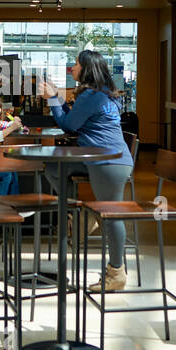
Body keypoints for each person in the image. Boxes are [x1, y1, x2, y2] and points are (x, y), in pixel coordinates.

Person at [38, 50, 134, 292]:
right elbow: (74, 120)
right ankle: (77, 214)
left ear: (87, 69)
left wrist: (53, 98)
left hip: (109, 162)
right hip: (98, 158)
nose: (73, 68)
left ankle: (116, 272)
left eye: (77, 64)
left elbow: (68, 124)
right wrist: (57, 97)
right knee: (53, 166)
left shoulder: (92, 95)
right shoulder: (101, 93)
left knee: (111, 216)